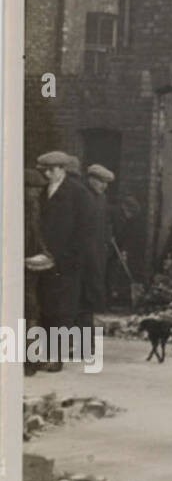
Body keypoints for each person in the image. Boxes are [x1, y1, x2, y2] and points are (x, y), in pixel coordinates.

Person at [35, 151, 98, 370]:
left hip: (67, 264)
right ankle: (44, 354)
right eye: (44, 170)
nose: (47, 174)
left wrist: (68, 258)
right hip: (47, 261)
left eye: (51, 170)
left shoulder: (79, 195)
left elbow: (85, 232)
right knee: (46, 308)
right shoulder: (46, 192)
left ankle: (56, 357)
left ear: (62, 169)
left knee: (63, 310)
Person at [24, 168, 51, 376]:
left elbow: (38, 235)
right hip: (21, 267)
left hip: (29, 267)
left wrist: (43, 252)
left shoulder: (34, 208)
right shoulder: (25, 209)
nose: (36, 194)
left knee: (32, 310)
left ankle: (30, 359)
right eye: (33, 189)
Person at [82, 164, 114, 323]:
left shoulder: (102, 198)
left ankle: (94, 310)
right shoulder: (83, 195)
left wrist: (107, 238)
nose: (104, 186)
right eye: (101, 182)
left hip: (98, 247)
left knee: (96, 278)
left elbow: (105, 221)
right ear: (91, 180)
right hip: (85, 248)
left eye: (107, 183)